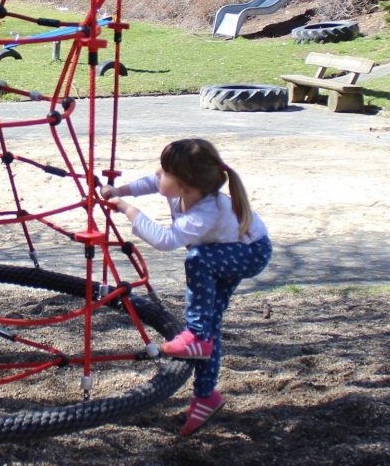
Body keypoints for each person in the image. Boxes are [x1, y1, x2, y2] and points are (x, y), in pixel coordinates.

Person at [106, 139, 272, 438]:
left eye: (166, 170)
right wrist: (121, 191)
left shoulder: (206, 211)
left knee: (197, 260)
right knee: (211, 321)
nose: (159, 172)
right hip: (224, 251)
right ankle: (206, 395)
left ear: (184, 185)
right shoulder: (182, 191)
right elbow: (151, 182)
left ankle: (196, 335)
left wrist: (128, 209)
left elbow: (167, 241)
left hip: (249, 253)